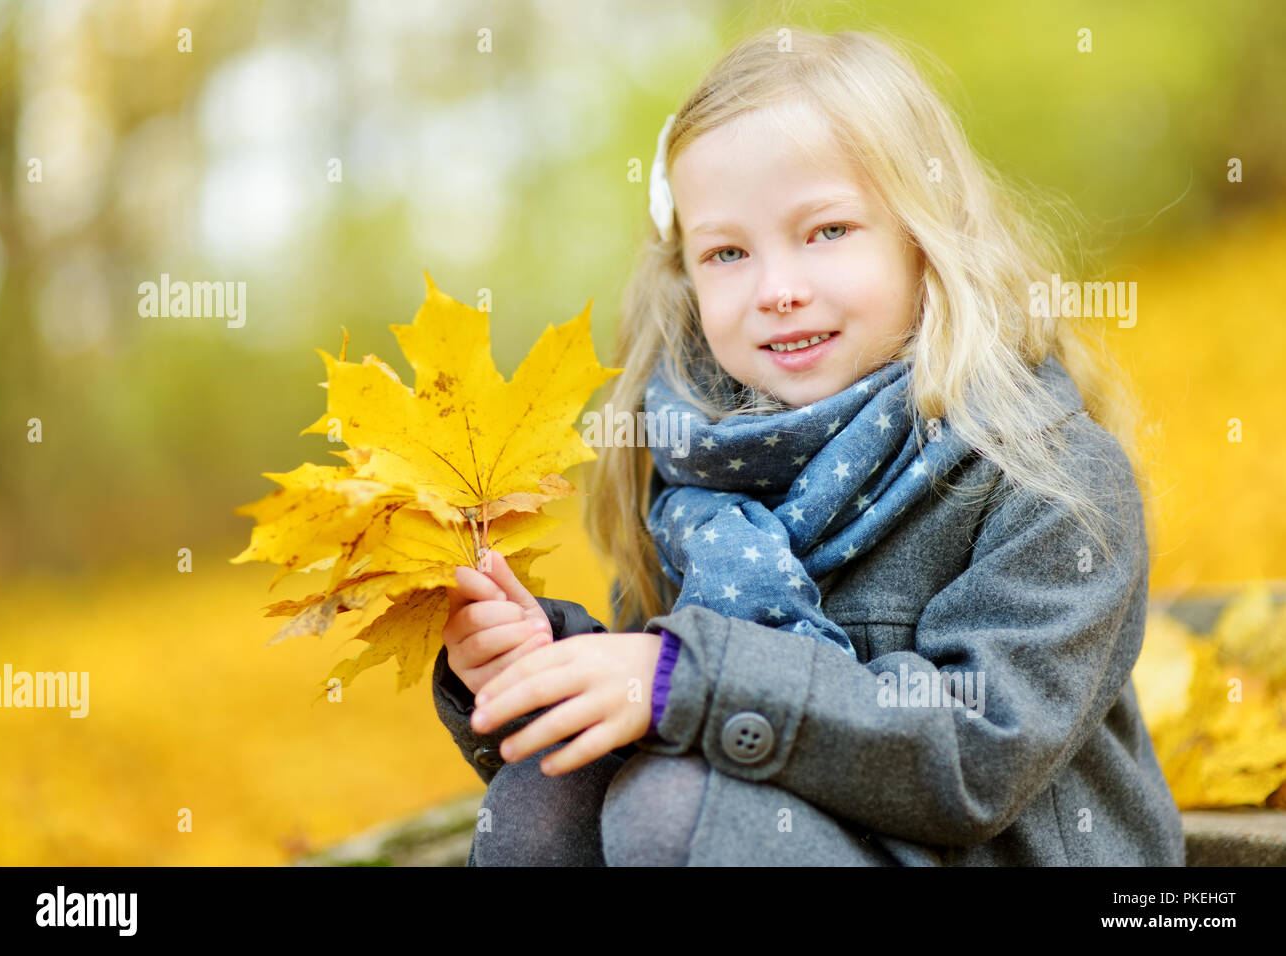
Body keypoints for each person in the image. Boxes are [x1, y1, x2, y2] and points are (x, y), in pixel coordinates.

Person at [432, 26, 1185, 867]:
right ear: (685, 276)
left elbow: (980, 755)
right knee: (549, 789)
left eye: (827, 231)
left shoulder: (1046, 472)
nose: (778, 291)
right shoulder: (697, 475)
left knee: (668, 806)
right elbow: (658, 713)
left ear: (922, 237)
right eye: (727, 252)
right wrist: (538, 669)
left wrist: (691, 679)